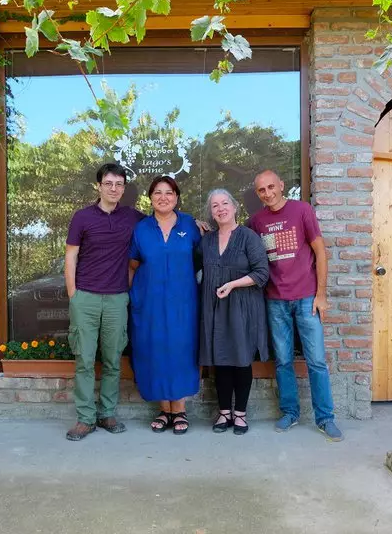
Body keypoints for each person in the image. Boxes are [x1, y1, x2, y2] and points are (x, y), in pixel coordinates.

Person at [248, 170, 344, 442]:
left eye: (271, 187)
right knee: (283, 361)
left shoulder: (302, 210)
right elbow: (238, 242)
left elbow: (319, 251)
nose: (267, 193)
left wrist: (321, 294)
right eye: (261, 190)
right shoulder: (256, 221)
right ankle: (289, 412)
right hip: (275, 300)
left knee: (316, 361)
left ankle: (325, 418)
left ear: (281, 185)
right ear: (258, 194)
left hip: (306, 299)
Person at [64, 163, 144, 441]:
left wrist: (193, 223)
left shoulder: (133, 217)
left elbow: (163, 220)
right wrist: (73, 294)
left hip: (117, 299)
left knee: (112, 360)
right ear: (99, 186)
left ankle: (107, 413)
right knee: (85, 360)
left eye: (119, 184)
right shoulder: (82, 217)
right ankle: (85, 418)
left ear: (124, 188)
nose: (114, 188)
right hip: (85, 297)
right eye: (109, 183)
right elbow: (71, 256)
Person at [129, 176, 201, 434]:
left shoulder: (190, 225)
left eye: (169, 192)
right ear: (150, 198)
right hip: (149, 303)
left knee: (181, 350)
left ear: (177, 197)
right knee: (156, 350)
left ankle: (179, 410)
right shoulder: (142, 229)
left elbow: (202, 258)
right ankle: (164, 410)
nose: (163, 197)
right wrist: (130, 297)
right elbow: (133, 265)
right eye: (157, 192)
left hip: (184, 302)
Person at [199, 189, 269, 435]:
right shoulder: (206, 240)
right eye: (215, 205)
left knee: (241, 360)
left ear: (235, 207)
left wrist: (233, 284)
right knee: (221, 361)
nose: (220, 208)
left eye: (225, 203)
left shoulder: (249, 237)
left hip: (242, 307)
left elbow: (262, 273)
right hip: (214, 307)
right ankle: (224, 413)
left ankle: (240, 414)